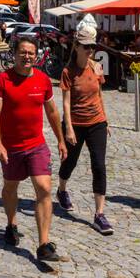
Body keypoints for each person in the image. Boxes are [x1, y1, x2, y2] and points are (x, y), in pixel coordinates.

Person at [0, 36, 67, 263]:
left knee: (44, 188)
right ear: (14, 55)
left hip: (36, 145)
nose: (27, 56)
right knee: (10, 188)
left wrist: (61, 140)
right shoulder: (3, 80)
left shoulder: (42, 80)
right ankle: (11, 223)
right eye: (22, 52)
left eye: (31, 53)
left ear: (37, 55)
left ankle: (43, 244)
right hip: (11, 147)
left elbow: (52, 113)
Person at [57, 19, 113, 235]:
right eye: (87, 46)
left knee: (99, 165)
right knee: (69, 161)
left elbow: (99, 96)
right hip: (76, 124)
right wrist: (68, 129)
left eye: (93, 46)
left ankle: (99, 214)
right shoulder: (68, 72)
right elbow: (66, 102)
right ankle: (62, 189)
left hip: (96, 123)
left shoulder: (97, 67)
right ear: (77, 47)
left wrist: (105, 120)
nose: (90, 50)